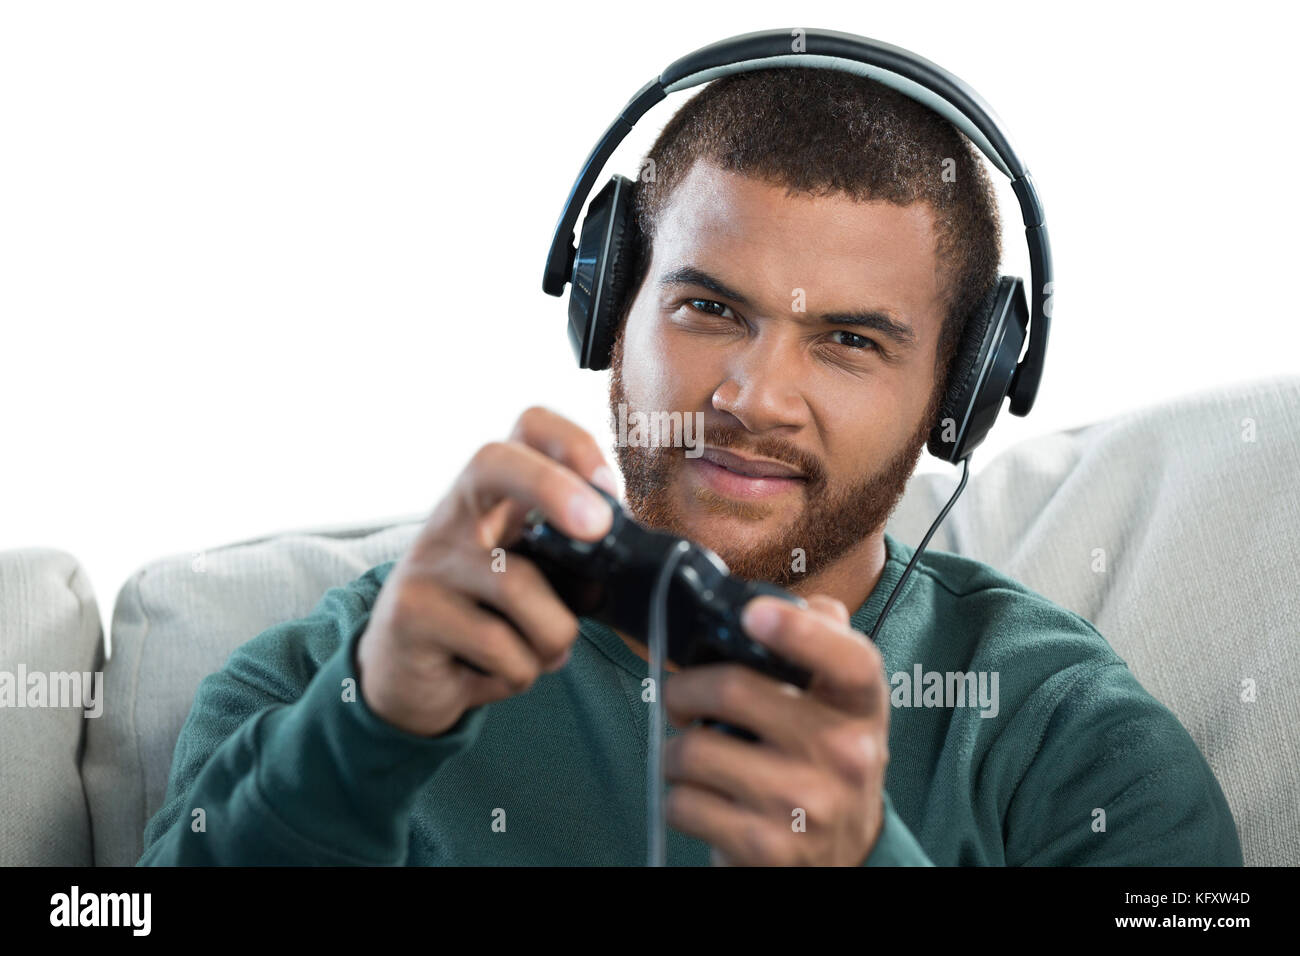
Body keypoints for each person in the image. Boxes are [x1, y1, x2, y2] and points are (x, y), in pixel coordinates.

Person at [138, 67, 1242, 866]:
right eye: (709, 306)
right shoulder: (338, 675)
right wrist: (363, 734)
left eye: (851, 340)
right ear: (609, 308)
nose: (754, 395)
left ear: (958, 396)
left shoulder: (1076, 740)